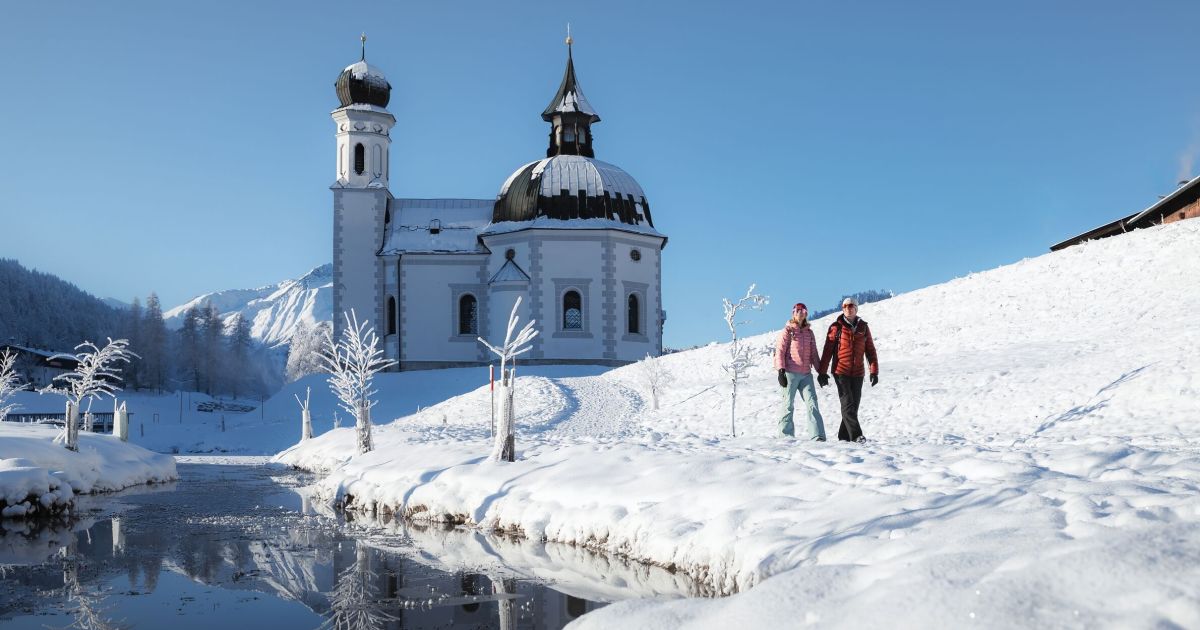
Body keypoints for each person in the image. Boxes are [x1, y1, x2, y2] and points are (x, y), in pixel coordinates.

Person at [817, 297, 879, 442]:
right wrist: (822, 372)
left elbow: (870, 351)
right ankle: (857, 436)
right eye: (845, 306)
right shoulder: (835, 327)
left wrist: (874, 371)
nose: (848, 308)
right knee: (848, 404)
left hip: (858, 373)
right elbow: (827, 351)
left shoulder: (863, 327)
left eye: (851, 306)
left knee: (854, 407)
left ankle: (843, 437)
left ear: (856, 308)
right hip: (841, 372)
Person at [774, 303, 826, 441]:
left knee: (812, 403)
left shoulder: (809, 333)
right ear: (793, 313)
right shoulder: (788, 331)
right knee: (788, 404)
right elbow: (779, 352)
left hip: (806, 375)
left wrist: (821, 372)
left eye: (803, 311)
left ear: (806, 314)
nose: (800, 313)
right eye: (797, 310)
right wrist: (780, 371)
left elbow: (814, 354)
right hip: (790, 373)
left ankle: (818, 436)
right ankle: (786, 436)